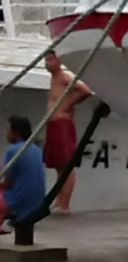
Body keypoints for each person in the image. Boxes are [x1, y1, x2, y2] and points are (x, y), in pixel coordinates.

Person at [41, 51, 91, 210]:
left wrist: (69, 103)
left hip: (62, 122)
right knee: (58, 165)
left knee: (66, 165)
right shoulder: (54, 79)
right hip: (54, 124)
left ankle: (65, 204)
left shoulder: (63, 77)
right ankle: (60, 200)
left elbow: (85, 90)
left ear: (58, 60)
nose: (47, 62)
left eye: (51, 59)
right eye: (46, 59)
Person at [3, 115, 47, 247]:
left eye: (8, 130)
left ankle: (7, 222)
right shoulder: (36, 149)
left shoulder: (13, 151)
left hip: (20, 200)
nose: (6, 134)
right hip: (39, 199)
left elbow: (8, 183)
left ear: (16, 133)